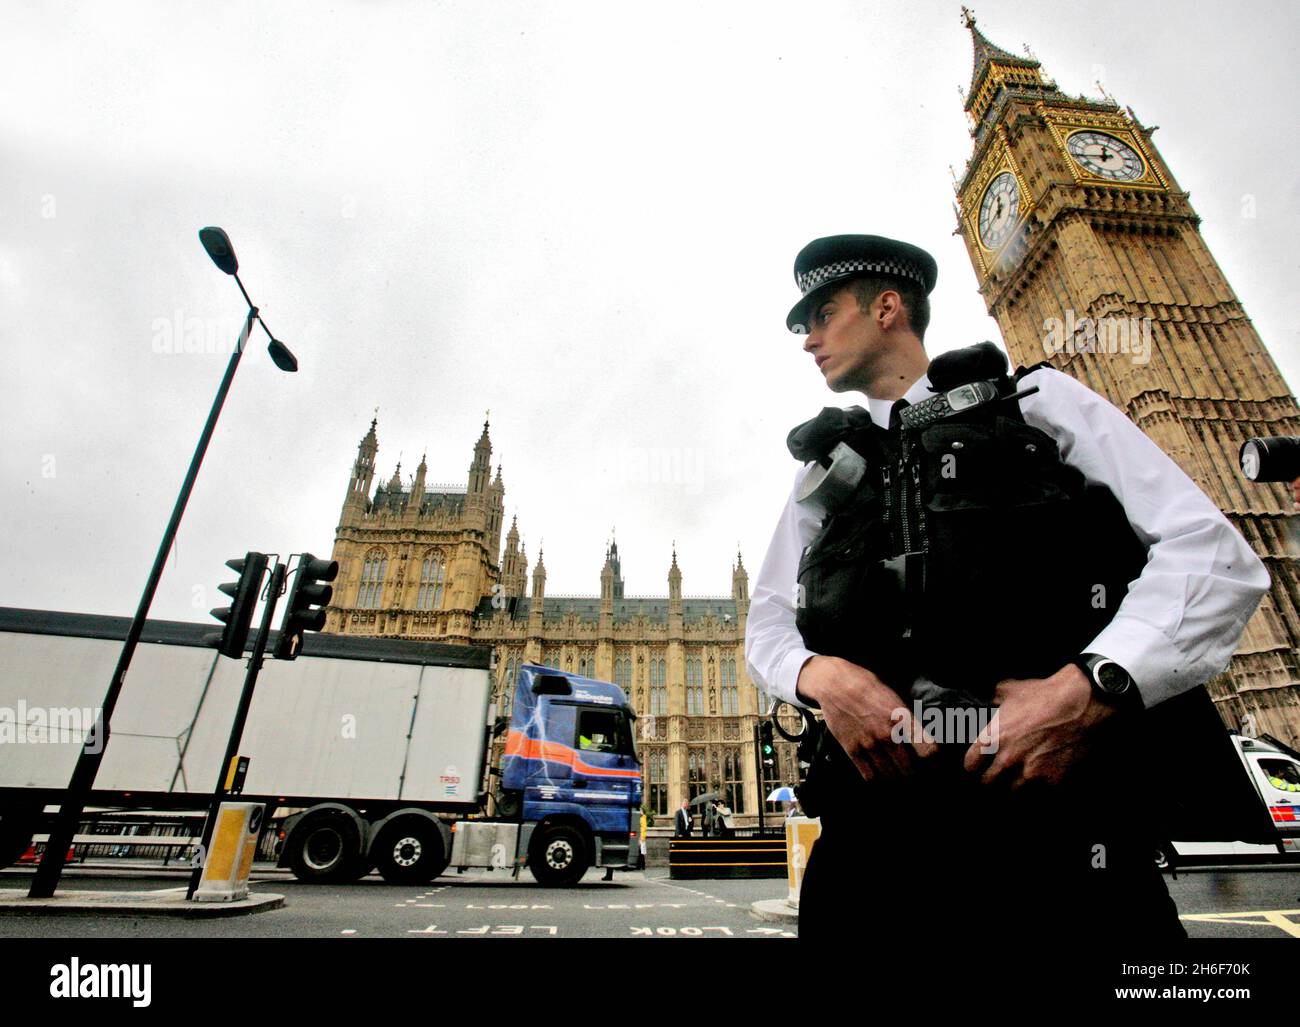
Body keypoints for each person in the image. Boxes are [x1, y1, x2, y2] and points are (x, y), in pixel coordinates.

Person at [744, 234, 1272, 944]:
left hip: (1053, 844)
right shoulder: (824, 472)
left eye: (821, 313)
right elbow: (767, 627)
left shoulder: (1033, 402)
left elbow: (1214, 557)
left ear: (887, 308)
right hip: (872, 861)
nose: (807, 337)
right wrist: (821, 675)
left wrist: (1090, 688)